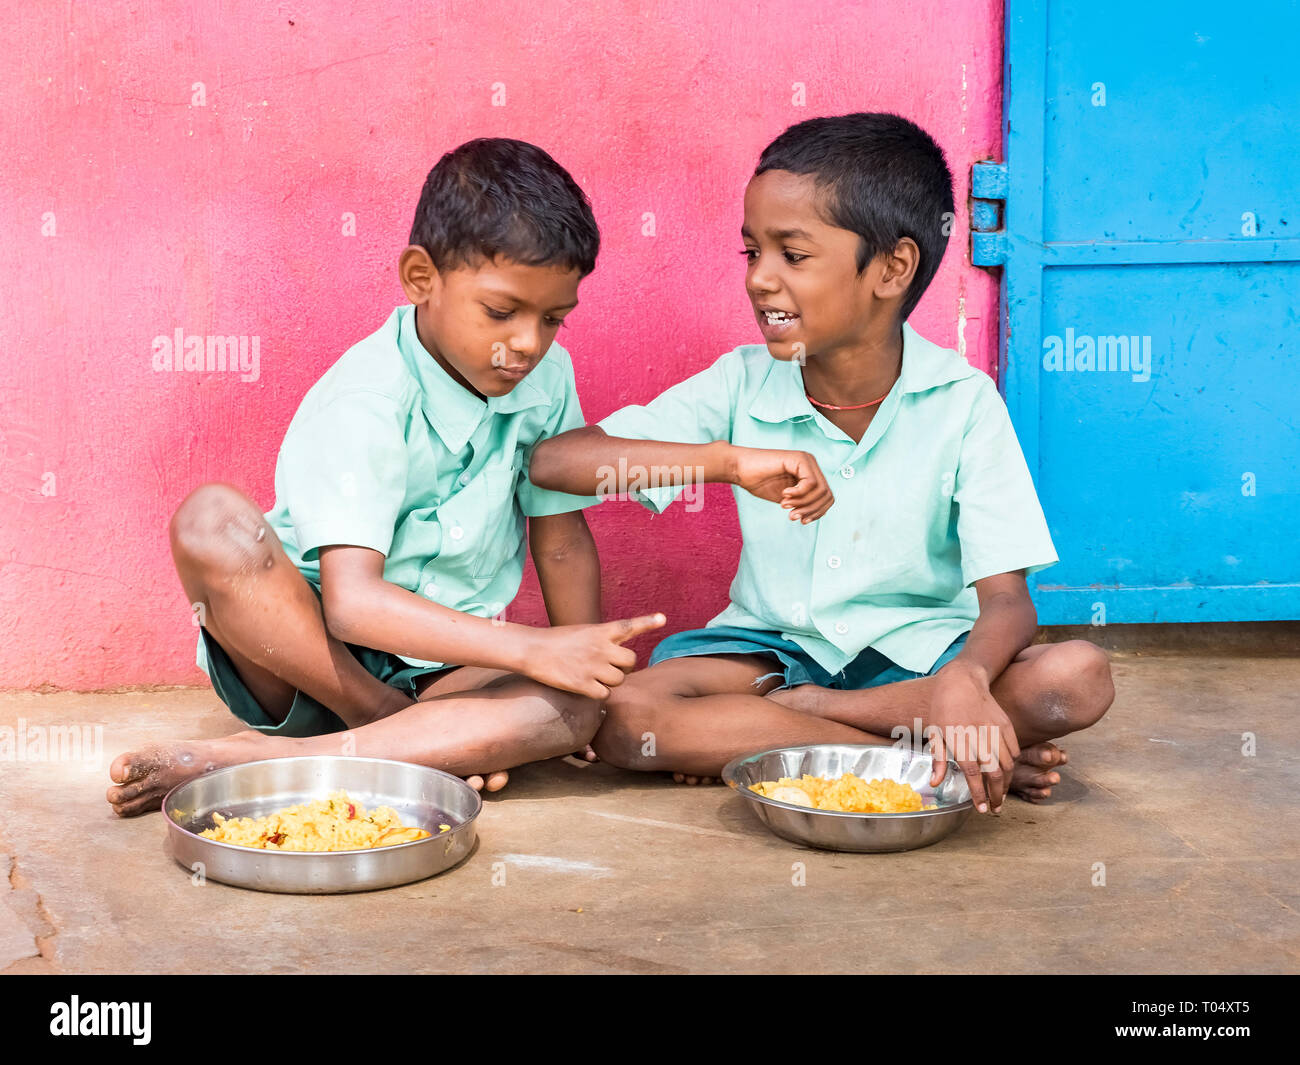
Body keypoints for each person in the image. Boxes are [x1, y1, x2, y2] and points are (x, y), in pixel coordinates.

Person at [529, 113, 1114, 814]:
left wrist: (967, 678)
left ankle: (797, 731)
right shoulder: (741, 382)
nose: (759, 280)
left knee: (1075, 676)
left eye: (792, 256)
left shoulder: (963, 402)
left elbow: (1009, 601)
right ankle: (908, 757)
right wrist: (726, 462)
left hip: (922, 659)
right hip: (774, 658)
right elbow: (556, 462)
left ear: (892, 268)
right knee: (626, 712)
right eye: (751, 253)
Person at [108, 138, 663, 816]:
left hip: (443, 672)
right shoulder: (369, 397)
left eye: (552, 319)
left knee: (574, 708)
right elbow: (352, 605)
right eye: (501, 311)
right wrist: (531, 648)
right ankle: (397, 738)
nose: (528, 342)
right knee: (211, 521)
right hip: (311, 662)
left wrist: (582, 659)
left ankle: (267, 760)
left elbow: (561, 536)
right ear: (421, 277)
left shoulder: (547, 379)